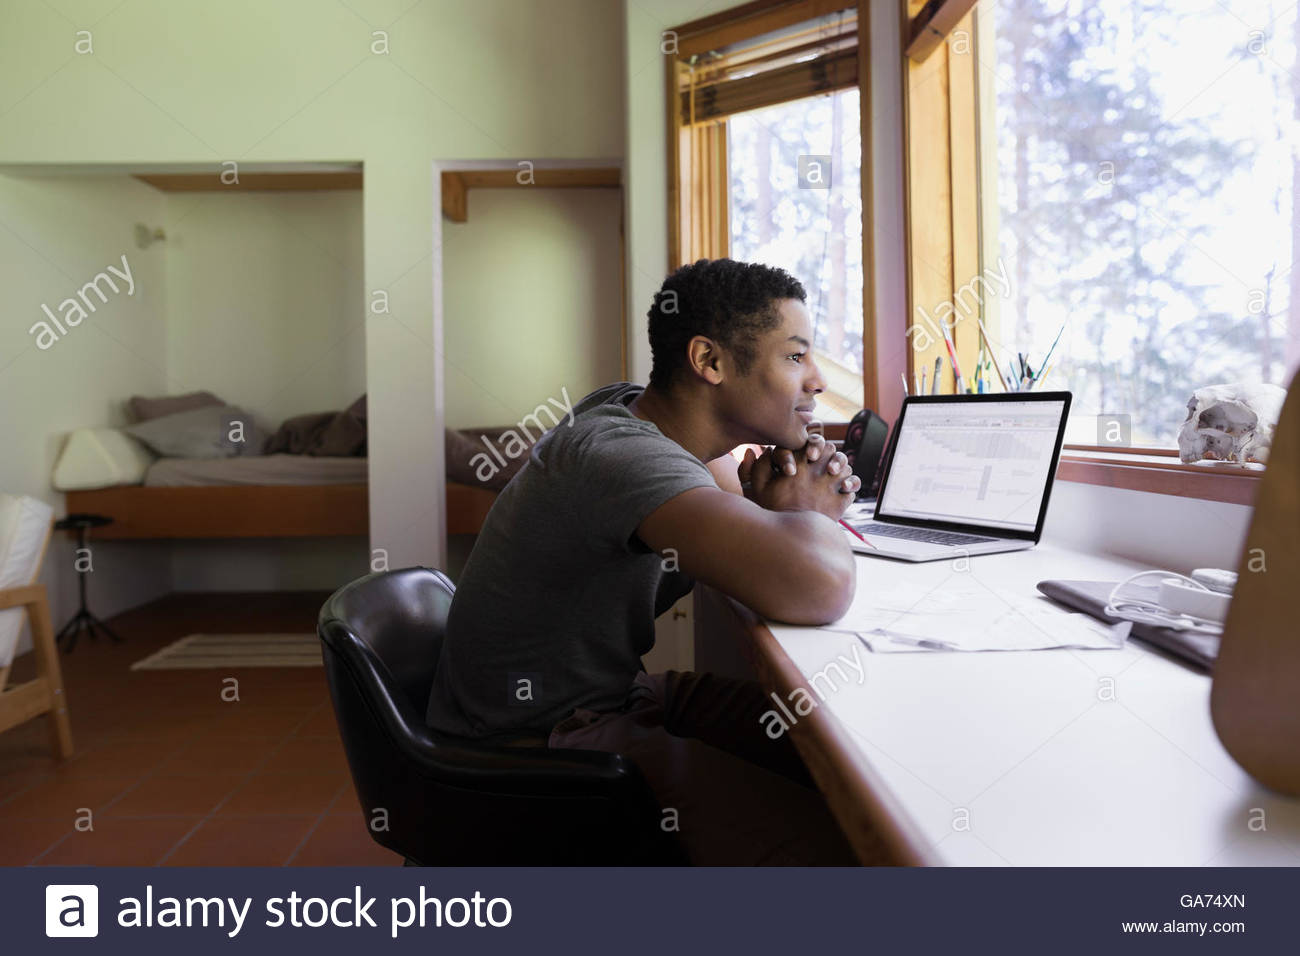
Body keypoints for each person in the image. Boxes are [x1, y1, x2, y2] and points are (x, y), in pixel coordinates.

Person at [425, 258, 890, 865]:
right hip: (540, 735)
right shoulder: (621, 454)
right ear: (710, 362)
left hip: (610, 696)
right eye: (796, 357)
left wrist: (782, 514)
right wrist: (809, 515)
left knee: (838, 749)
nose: (818, 382)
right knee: (835, 847)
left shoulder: (648, 418)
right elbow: (819, 585)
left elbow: (750, 529)